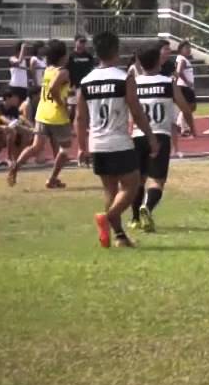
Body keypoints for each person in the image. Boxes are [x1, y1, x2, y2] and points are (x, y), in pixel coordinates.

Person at [76, 31, 157, 249]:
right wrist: (151, 137)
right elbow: (137, 111)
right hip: (119, 141)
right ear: (116, 50)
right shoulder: (123, 78)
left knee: (110, 190)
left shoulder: (85, 81)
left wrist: (82, 147)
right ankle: (109, 216)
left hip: (97, 143)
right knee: (131, 185)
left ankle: (119, 237)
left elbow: (80, 118)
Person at [129, 43, 196, 233]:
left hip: (138, 135)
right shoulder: (167, 83)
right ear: (159, 60)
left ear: (140, 63)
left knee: (138, 180)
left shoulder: (134, 82)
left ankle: (134, 219)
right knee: (157, 181)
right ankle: (147, 208)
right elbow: (185, 108)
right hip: (160, 135)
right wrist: (192, 127)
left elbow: (131, 111)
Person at [7, 39, 72, 189]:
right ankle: (52, 179)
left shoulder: (48, 69)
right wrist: (63, 105)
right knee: (65, 149)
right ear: (62, 56)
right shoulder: (63, 71)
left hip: (43, 113)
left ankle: (15, 166)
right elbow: (54, 90)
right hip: (57, 115)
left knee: (36, 147)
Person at [0, 89, 32, 165]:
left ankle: (20, 157)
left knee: (25, 134)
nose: (17, 100)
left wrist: (28, 128)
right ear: (7, 98)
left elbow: (17, 121)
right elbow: (3, 118)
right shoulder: (0, 107)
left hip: (13, 129)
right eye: (15, 98)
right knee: (13, 131)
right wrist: (16, 125)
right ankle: (9, 158)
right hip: (0, 130)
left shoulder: (14, 109)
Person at [66, 35, 95, 120]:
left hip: (86, 86)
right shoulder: (71, 57)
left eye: (84, 42)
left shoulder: (89, 56)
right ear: (75, 42)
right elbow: (67, 71)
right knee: (71, 108)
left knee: (86, 108)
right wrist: (70, 85)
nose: (82, 44)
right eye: (80, 41)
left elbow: (91, 70)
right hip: (73, 86)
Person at [173, 40, 197, 138]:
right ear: (180, 49)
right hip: (184, 86)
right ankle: (182, 127)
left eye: (189, 48)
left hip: (186, 86)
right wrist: (186, 81)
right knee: (188, 108)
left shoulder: (183, 59)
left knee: (191, 108)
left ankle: (180, 124)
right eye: (186, 48)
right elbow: (179, 71)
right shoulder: (182, 59)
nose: (189, 50)